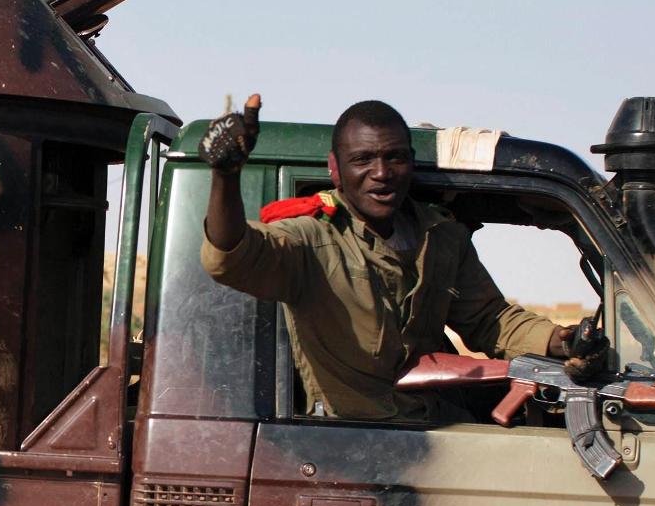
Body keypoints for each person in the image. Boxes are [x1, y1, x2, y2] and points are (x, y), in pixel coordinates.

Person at [200, 94, 583, 422]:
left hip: (431, 426)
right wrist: (226, 176)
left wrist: (563, 341)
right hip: (347, 439)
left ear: (411, 161)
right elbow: (233, 256)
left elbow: (489, 320)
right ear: (335, 169)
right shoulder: (314, 238)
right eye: (363, 159)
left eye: (394, 157)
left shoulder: (441, 237)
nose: (381, 173)